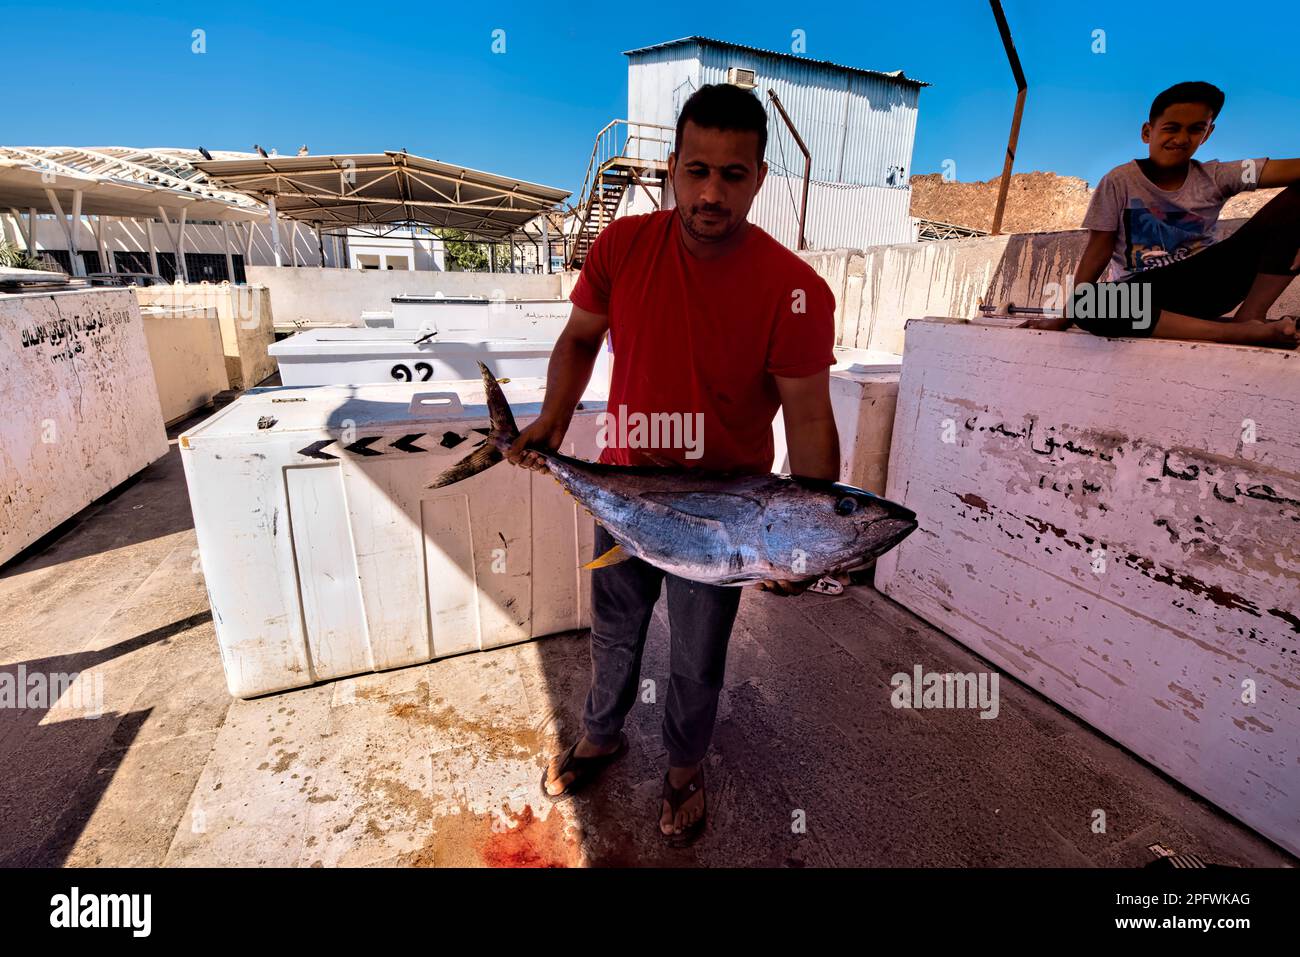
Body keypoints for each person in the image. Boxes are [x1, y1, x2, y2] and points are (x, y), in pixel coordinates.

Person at [504, 83, 840, 846]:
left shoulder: (795, 291)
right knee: (614, 629)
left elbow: (810, 419)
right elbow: (582, 337)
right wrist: (555, 418)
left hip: (720, 514)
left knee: (696, 657)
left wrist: (804, 543)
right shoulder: (622, 247)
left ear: (759, 178)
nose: (711, 192)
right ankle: (601, 734)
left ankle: (685, 768)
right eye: (696, 170)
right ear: (670, 169)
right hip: (622, 484)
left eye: (732, 174)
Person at [1022, 81, 1299, 345]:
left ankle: (1250, 316)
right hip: (1143, 297)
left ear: (1208, 133)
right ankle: (1239, 334)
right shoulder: (1119, 181)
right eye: (1171, 128)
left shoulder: (1217, 176)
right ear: (1147, 132)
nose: (1181, 139)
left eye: (1195, 129)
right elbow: (1099, 249)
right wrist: (1066, 317)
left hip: (1207, 284)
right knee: (1089, 303)